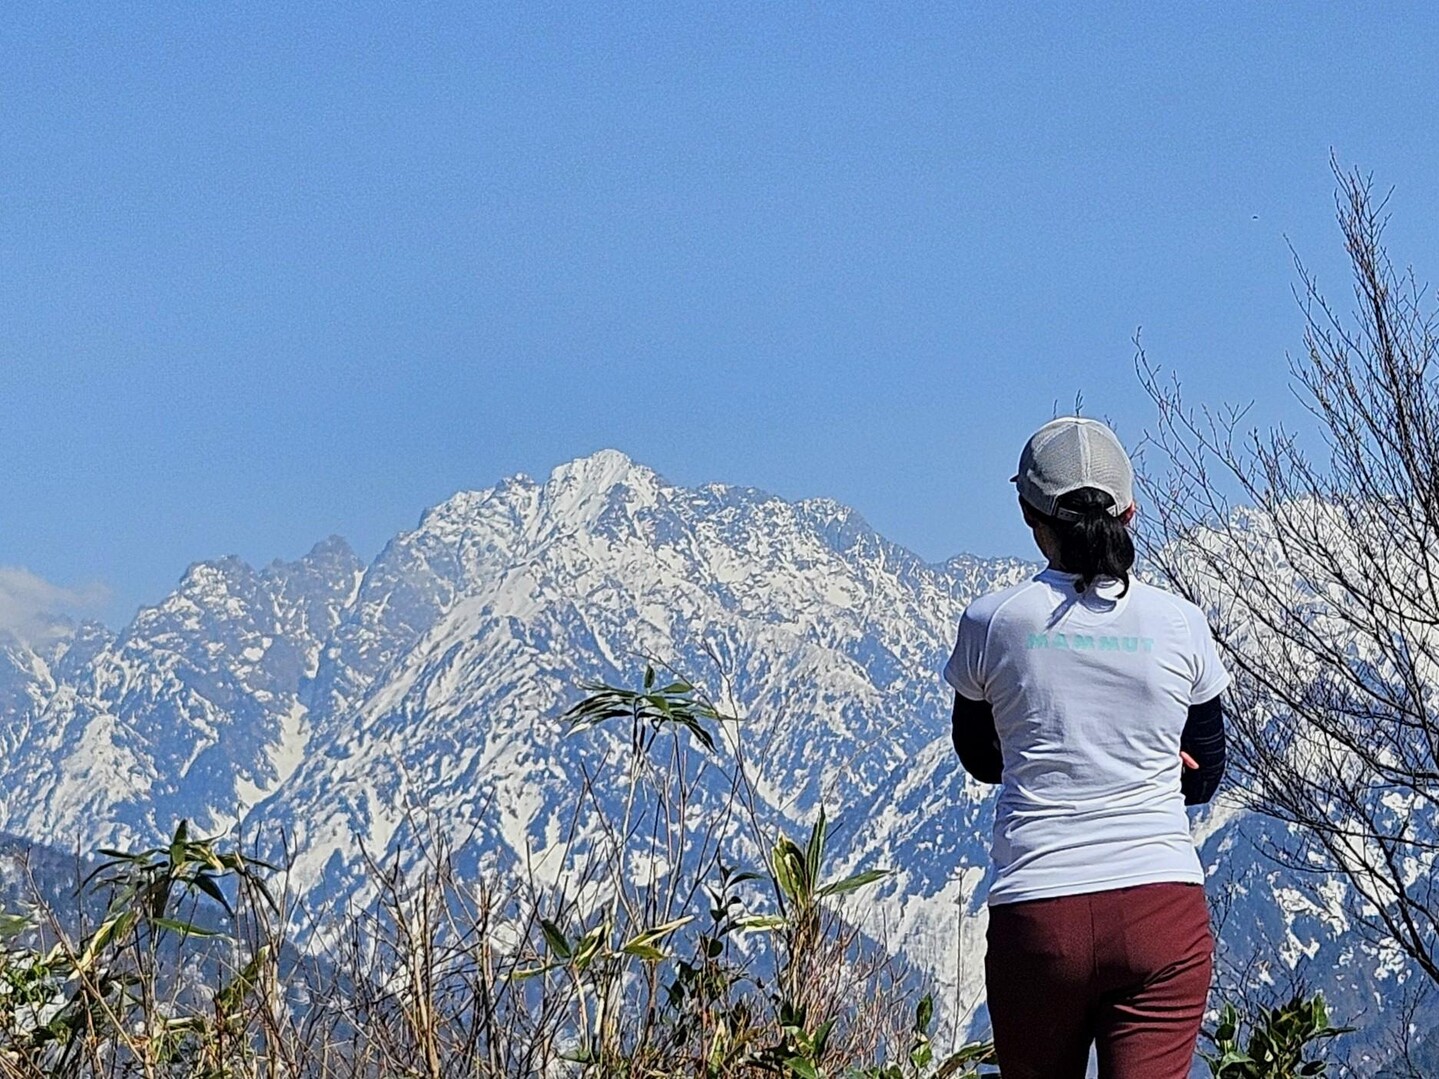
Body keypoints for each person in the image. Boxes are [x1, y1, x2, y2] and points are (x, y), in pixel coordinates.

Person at [943, 416, 1227, 1079]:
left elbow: (980, 756)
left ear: (1026, 512)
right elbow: (1205, 771)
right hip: (1162, 908)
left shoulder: (993, 621)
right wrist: (1155, 763)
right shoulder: (1181, 623)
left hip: (1039, 913)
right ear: (1129, 509)